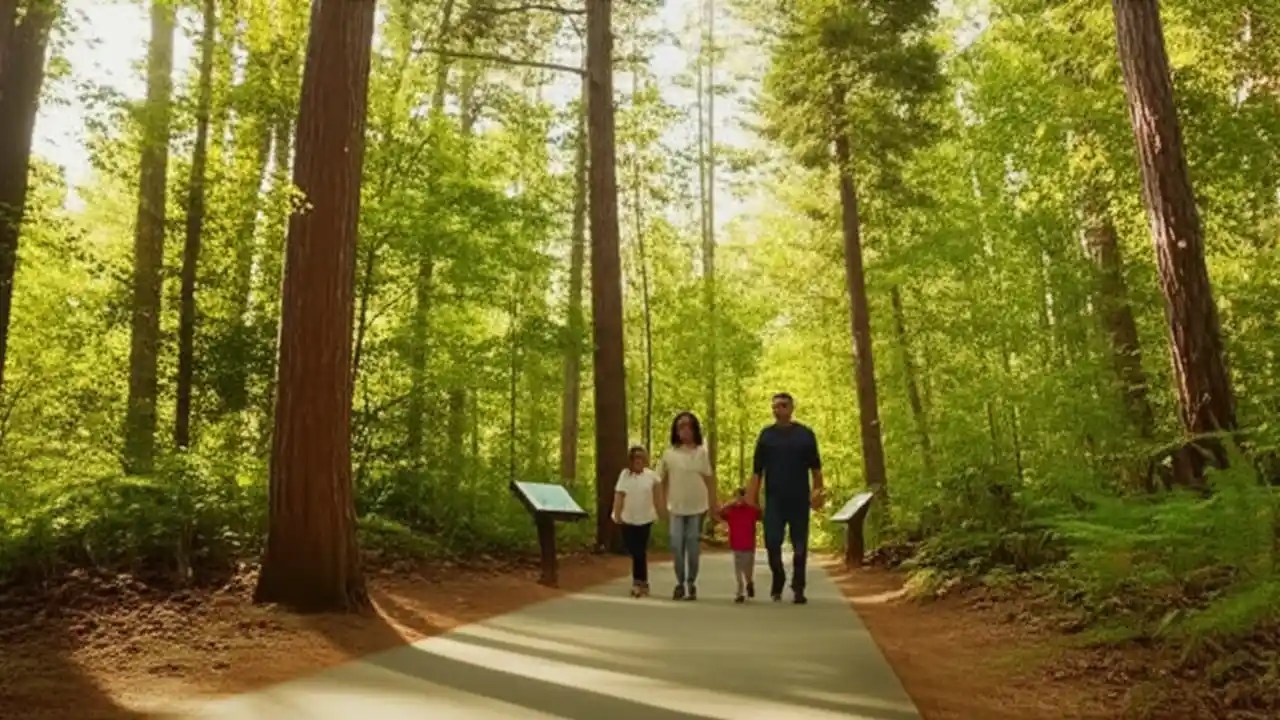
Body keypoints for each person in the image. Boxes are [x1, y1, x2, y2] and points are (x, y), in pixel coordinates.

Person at [747, 392, 824, 604]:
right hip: (774, 500)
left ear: (791, 408)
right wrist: (751, 500)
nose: (777, 409)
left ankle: (799, 587)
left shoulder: (805, 435)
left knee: (800, 547)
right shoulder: (766, 436)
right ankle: (778, 577)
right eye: (774, 406)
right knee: (772, 543)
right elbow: (757, 471)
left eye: (782, 405)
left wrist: (818, 494)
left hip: (799, 499)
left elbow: (816, 470)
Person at [659, 411, 718, 601]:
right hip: (675, 506)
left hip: (697, 506)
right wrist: (659, 505)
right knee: (676, 544)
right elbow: (660, 480)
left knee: (692, 544)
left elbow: (709, 480)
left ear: (694, 429)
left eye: (688, 426)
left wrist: (713, 504)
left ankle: (691, 582)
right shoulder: (669, 454)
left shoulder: (701, 453)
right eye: (680, 426)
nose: (684, 430)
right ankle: (680, 582)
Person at [612, 445, 665, 598]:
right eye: (635, 458)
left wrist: (662, 514)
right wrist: (617, 514)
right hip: (628, 518)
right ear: (631, 460)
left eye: (641, 458)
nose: (638, 461)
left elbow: (658, 496)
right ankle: (641, 581)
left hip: (645, 518)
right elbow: (619, 495)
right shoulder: (625, 475)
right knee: (633, 550)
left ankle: (639, 582)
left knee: (639, 552)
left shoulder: (652, 476)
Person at [719, 488, 760, 604]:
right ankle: (740, 591)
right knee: (738, 569)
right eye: (736, 497)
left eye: (741, 496)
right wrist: (729, 503)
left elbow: (761, 513)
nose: (739, 499)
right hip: (736, 544)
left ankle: (749, 582)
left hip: (749, 545)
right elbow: (720, 513)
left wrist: (751, 502)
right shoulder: (731, 510)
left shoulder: (751, 510)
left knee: (747, 568)